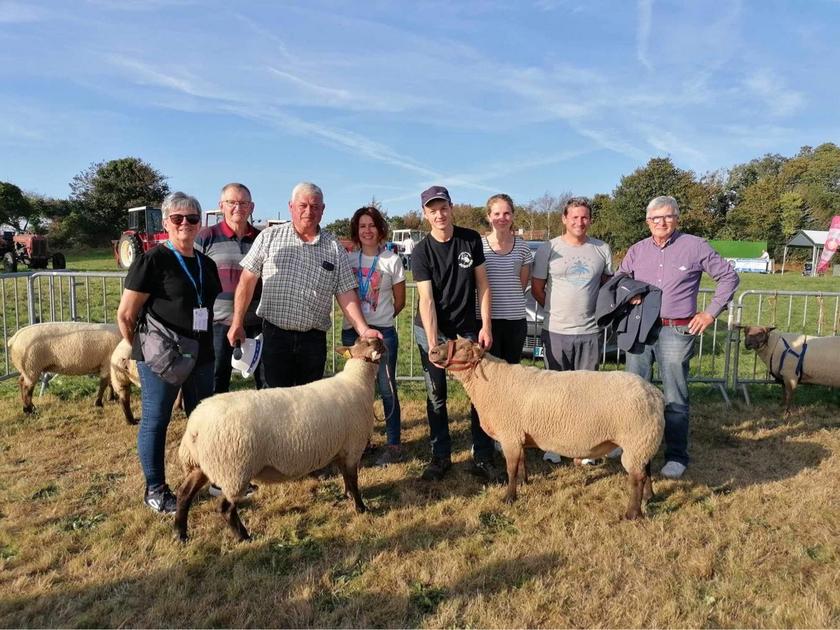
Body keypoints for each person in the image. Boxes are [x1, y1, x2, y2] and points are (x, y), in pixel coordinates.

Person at [619, 195, 739, 479]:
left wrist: (710, 313)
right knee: (633, 392)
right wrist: (630, 292)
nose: (661, 222)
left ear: (677, 218)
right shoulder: (636, 250)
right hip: (640, 328)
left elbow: (729, 278)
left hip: (677, 330)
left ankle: (675, 455)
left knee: (674, 395)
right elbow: (621, 279)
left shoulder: (695, 246)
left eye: (667, 216)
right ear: (648, 221)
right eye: (655, 218)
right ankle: (629, 445)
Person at [117, 192, 221, 514]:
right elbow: (125, 314)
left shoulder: (206, 263)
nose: (185, 224)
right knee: (157, 419)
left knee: (203, 419)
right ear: (166, 223)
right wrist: (146, 348)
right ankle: (156, 489)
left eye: (192, 218)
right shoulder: (153, 260)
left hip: (200, 352)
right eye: (178, 218)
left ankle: (211, 476)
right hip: (161, 357)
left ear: (200, 223)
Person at [228, 182, 380, 388]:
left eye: (315, 206)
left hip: (313, 342)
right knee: (274, 401)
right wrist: (237, 322)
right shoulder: (269, 237)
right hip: (275, 337)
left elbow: (346, 293)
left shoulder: (334, 247)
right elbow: (247, 281)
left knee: (310, 408)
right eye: (303, 205)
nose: (309, 211)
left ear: (323, 210)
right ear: (291, 206)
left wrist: (363, 329)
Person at [412, 185, 504, 483]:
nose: (439, 214)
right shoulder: (421, 251)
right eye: (432, 210)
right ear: (425, 215)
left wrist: (485, 325)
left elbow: (483, 284)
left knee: (480, 394)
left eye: (443, 208)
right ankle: (440, 457)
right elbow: (425, 300)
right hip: (432, 328)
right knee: (436, 395)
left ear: (451, 208)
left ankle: (483, 456)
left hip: (466, 330)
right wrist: (432, 342)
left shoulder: (470, 239)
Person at [532, 196, 612, 465]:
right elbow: (537, 288)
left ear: (590, 220)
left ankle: (584, 447)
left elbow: (606, 287)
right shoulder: (548, 249)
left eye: (584, 217)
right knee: (555, 393)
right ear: (564, 219)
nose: (580, 222)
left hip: (589, 332)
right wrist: (556, 312)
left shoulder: (602, 249)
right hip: (555, 330)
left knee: (586, 393)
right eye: (574, 217)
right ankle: (554, 444)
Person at [341, 206, 406, 466]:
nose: (367, 231)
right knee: (357, 391)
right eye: (362, 226)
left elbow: (400, 301)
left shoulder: (392, 260)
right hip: (353, 335)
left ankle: (393, 444)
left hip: (383, 334)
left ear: (380, 229)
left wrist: (380, 320)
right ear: (356, 231)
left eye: (372, 225)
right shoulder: (348, 259)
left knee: (387, 389)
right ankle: (362, 441)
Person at [195, 182, 263, 393]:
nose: (238, 208)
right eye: (231, 202)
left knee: (265, 379)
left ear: (251, 207)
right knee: (217, 377)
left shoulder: (262, 238)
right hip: (218, 322)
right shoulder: (206, 237)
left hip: (256, 321)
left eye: (243, 203)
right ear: (221, 205)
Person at [480, 193, 533, 364]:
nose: (502, 218)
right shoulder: (478, 246)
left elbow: (522, 284)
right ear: (489, 216)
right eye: (496, 214)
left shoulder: (523, 247)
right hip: (486, 321)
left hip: (515, 321)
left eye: (506, 213)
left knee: (512, 374)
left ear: (513, 216)